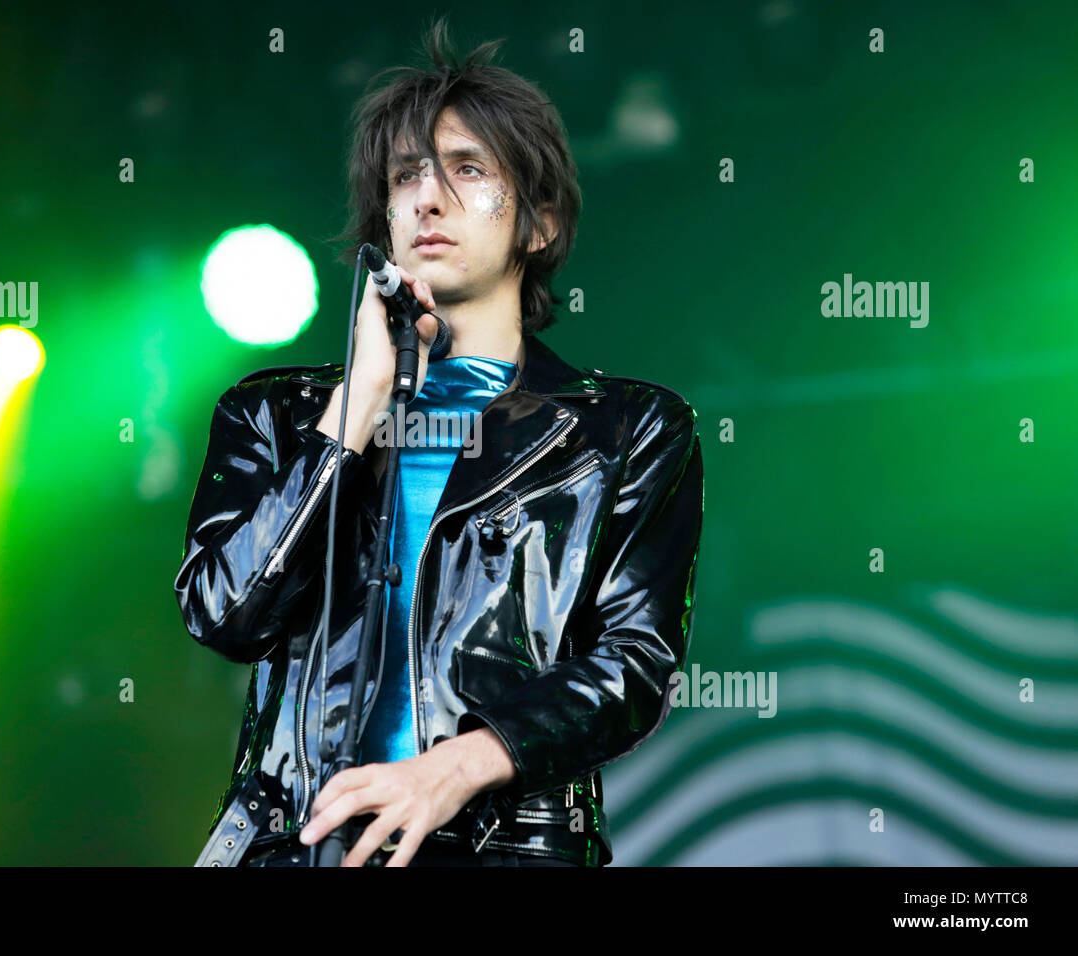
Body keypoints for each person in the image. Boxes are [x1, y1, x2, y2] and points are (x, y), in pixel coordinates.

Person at [175, 16, 703, 868]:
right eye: (406, 176)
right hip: (295, 847)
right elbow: (223, 614)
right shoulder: (275, 414)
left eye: (467, 170)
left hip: (503, 848)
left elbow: (634, 665)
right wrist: (357, 407)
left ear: (537, 223)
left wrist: (456, 768)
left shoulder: (625, 429)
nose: (427, 197)